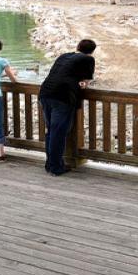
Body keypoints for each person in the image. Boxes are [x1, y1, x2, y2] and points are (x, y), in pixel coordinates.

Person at [38, 39, 97, 176]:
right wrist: (82, 84)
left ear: (77, 47)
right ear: (92, 52)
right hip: (62, 96)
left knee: (51, 131)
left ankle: (50, 164)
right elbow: (86, 80)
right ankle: (56, 167)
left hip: (45, 92)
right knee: (58, 132)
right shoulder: (88, 59)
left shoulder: (64, 56)